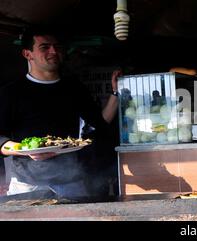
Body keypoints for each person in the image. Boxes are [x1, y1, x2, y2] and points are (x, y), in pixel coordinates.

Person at [0, 27, 121, 198]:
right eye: (45, 47)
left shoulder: (74, 87)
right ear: (28, 54)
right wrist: (26, 149)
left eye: (57, 47)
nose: (53, 51)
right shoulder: (11, 92)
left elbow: (99, 123)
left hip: (70, 180)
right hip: (28, 182)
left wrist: (116, 94)